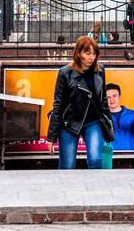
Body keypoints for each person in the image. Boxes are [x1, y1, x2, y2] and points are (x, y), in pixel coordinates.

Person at [45, 36, 116, 169]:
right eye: (87, 53)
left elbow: (103, 100)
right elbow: (58, 105)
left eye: (94, 53)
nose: (91, 57)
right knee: (67, 165)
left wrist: (109, 125)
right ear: (78, 53)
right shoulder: (65, 73)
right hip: (69, 124)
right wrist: (51, 137)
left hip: (93, 122)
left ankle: (96, 190)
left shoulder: (99, 70)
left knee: (96, 160)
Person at [105, 82, 134, 151]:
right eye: (108, 97)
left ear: (119, 96)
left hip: (130, 157)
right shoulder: (102, 117)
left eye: (114, 96)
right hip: (109, 158)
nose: (112, 100)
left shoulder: (133, 115)